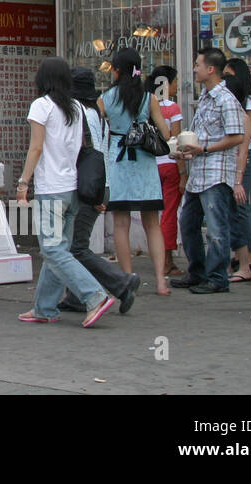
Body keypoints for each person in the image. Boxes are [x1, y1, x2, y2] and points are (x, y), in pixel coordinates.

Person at [16, 58, 117, 326]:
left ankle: (94, 296)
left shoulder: (42, 105)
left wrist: (24, 181)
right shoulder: (76, 107)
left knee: (52, 250)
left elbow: (35, 148)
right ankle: (44, 308)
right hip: (72, 189)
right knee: (58, 249)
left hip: (51, 189)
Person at [59, 67, 142, 315]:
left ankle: (122, 283)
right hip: (100, 183)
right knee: (75, 243)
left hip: (88, 186)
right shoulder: (97, 115)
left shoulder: (76, 115)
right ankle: (75, 297)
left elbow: (75, 154)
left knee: (76, 248)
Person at [173, 48, 247, 294]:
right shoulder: (205, 96)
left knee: (216, 229)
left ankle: (217, 278)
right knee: (188, 223)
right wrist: (186, 151)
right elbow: (198, 134)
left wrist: (204, 149)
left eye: (198, 64)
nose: (194, 69)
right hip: (199, 172)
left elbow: (237, 137)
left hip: (216, 173)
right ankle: (197, 271)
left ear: (211, 69)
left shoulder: (226, 99)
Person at [98, 47, 172, 294]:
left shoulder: (107, 98)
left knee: (121, 223)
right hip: (144, 160)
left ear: (117, 70)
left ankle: (128, 279)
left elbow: (95, 126)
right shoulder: (148, 97)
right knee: (153, 223)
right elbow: (166, 133)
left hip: (118, 161)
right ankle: (161, 280)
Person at [224, 57, 251, 284]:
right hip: (233, 157)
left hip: (243, 155)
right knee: (235, 206)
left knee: (241, 206)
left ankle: (248, 255)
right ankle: (242, 254)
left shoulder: (246, 99)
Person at [147, 66, 185, 277]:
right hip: (169, 164)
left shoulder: (145, 104)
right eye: (175, 80)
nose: (177, 85)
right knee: (169, 215)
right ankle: (167, 261)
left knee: (153, 216)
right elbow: (175, 142)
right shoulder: (172, 108)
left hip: (151, 166)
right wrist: (183, 173)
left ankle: (158, 260)